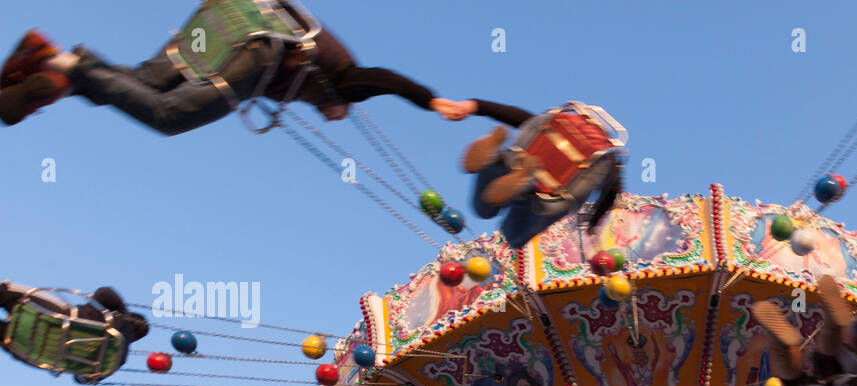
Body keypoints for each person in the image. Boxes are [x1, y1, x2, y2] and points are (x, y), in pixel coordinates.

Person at [0, 12, 467, 133]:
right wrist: (431, 100)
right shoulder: (343, 80)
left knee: (142, 83)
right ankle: (74, 66)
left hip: (219, 29)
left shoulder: (312, 87)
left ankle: (56, 64)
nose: (333, 116)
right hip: (260, 49)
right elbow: (383, 78)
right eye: (335, 112)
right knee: (170, 116)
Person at [454, 100, 623, 248]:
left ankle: (494, 159)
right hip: (554, 195)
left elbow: (515, 115)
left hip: (520, 159)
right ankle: (525, 182)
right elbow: (612, 192)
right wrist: (593, 223)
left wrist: (478, 106)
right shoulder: (607, 159)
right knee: (514, 236)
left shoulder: (563, 119)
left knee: (483, 209)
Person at [0, 281, 149, 380]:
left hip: (47, 318)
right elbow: (83, 379)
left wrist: (112, 309)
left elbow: (105, 292)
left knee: (5, 290)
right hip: (32, 353)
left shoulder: (120, 315)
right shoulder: (118, 359)